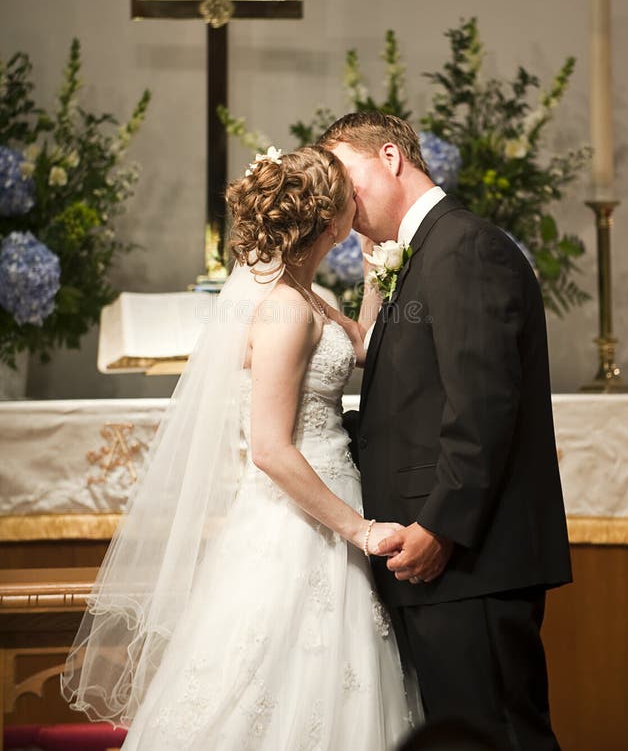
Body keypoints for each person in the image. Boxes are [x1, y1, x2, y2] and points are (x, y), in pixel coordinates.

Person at [62, 145, 419, 750]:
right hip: (304, 517)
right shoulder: (283, 308)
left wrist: (375, 277)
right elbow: (271, 450)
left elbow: (359, 347)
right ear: (328, 221)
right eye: (348, 201)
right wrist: (358, 530)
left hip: (331, 495)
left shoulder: (309, 299)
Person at [319, 112, 572, 750]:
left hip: (467, 559)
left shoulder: (466, 248)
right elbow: (411, 407)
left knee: (501, 738)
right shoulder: (418, 254)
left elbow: (483, 406)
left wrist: (440, 528)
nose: (343, 203)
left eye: (348, 177)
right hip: (432, 561)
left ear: (391, 156)